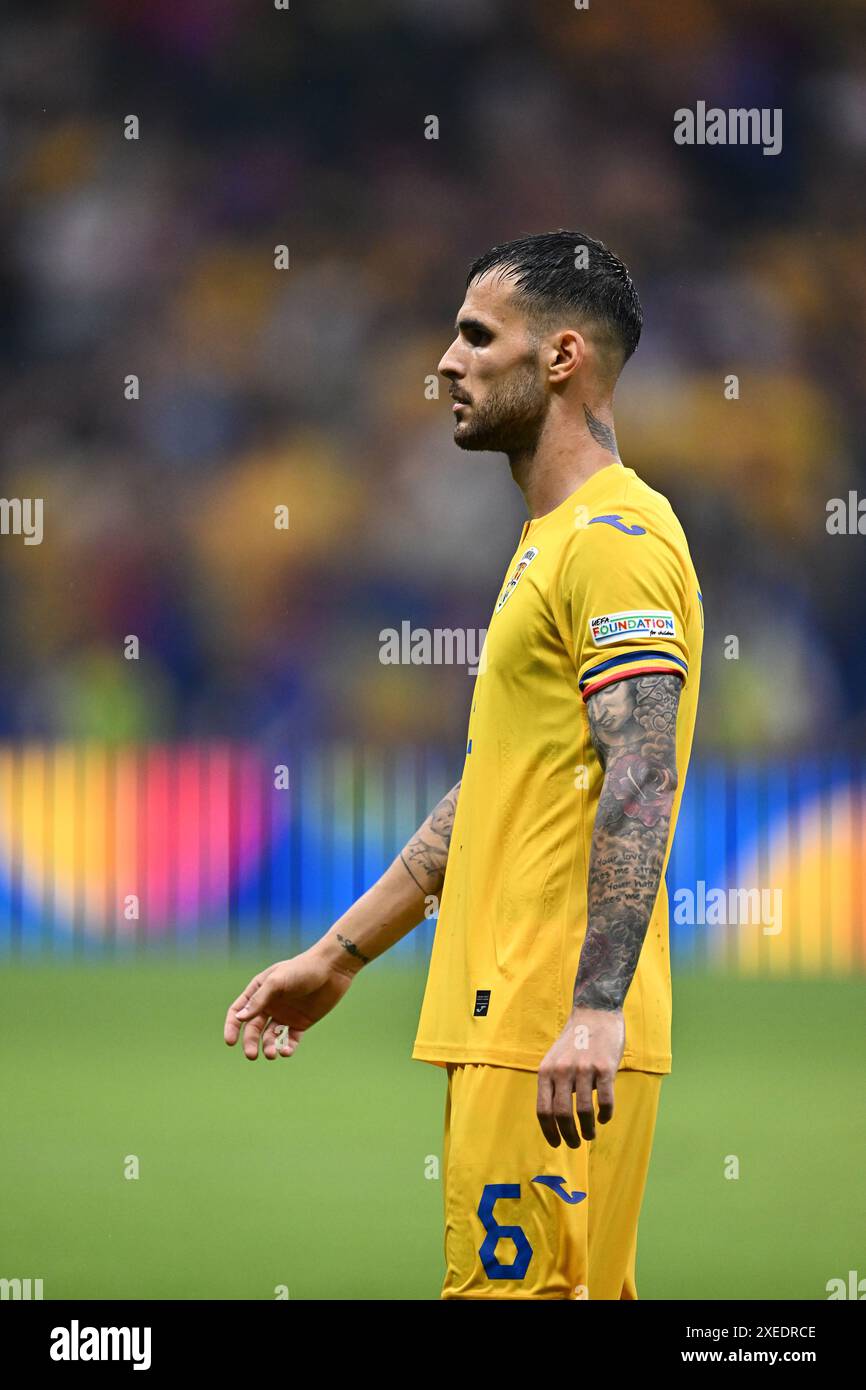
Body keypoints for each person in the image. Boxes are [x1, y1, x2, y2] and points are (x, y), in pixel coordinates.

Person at [224, 230, 703, 1300]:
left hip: (544, 1028)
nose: (444, 360)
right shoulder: (552, 539)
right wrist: (343, 952)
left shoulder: (613, 537)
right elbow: (496, 783)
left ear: (562, 357)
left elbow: (639, 771)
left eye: (476, 335)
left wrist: (591, 1007)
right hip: (517, 1021)